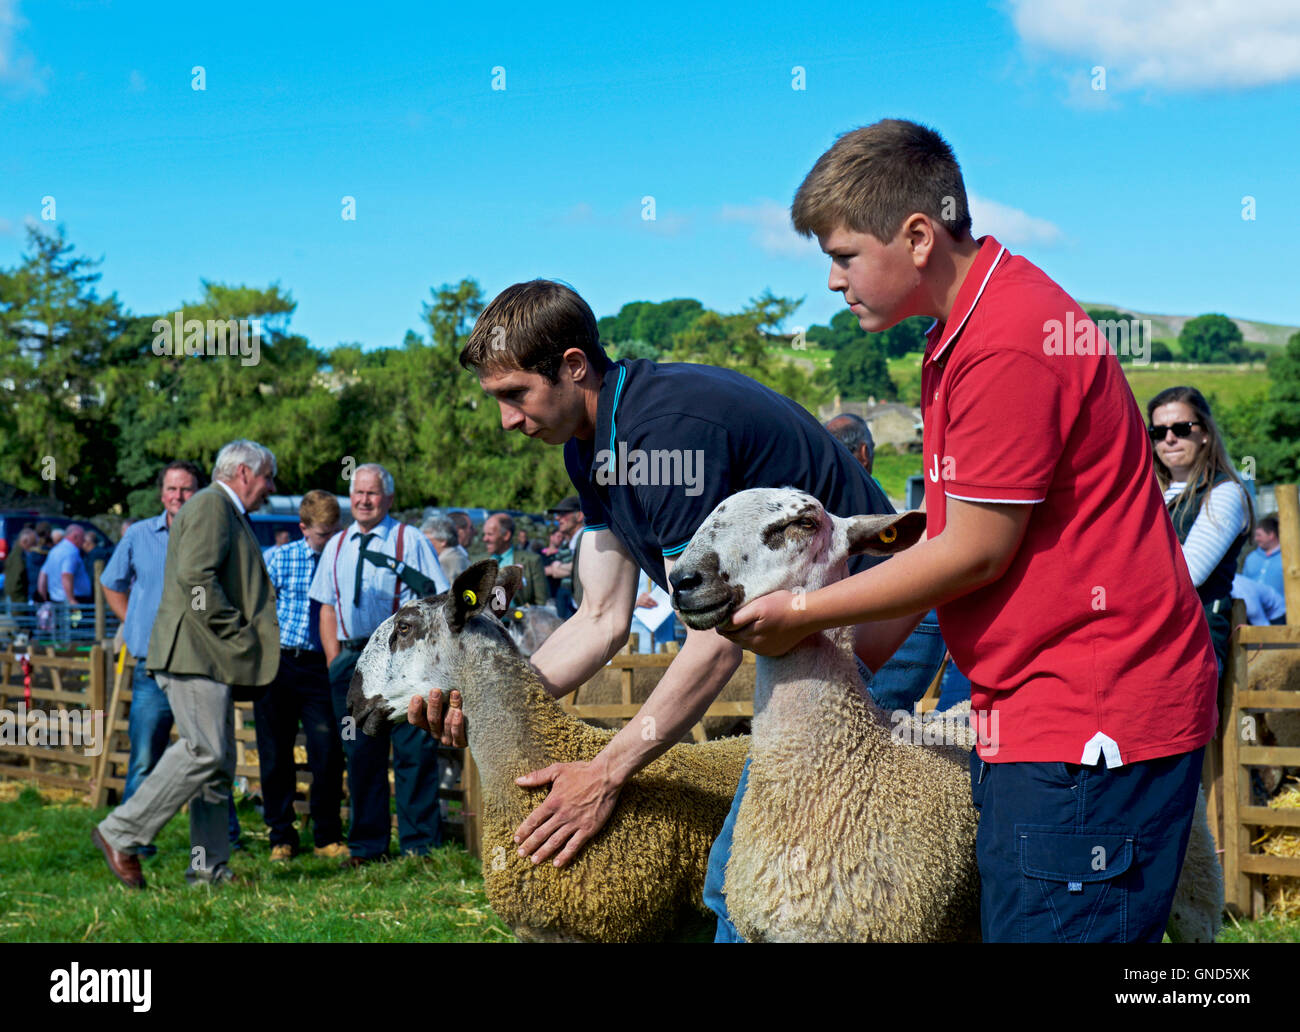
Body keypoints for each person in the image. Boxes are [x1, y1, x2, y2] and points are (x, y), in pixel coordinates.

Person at [719, 119, 1216, 943]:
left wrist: (807, 619)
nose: (835, 282)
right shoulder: (961, 333)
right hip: (1034, 711)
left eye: (843, 256)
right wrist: (845, 654)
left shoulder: (1007, 341)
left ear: (917, 236)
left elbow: (977, 551)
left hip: (1090, 720)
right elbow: (946, 535)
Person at [411, 278, 907, 912]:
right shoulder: (590, 446)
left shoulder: (663, 436)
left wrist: (605, 773)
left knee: (750, 881)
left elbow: (713, 644)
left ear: (572, 366)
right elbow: (599, 617)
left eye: (514, 395)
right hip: (817, 639)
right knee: (754, 883)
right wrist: (486, 701)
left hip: (881, 618)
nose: (507, 420)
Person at [92, 440, 280, 888]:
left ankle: (208, 869)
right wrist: (236, 633)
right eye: (268, 476)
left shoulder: (219, 507)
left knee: (216, 768)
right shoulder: (213, 506)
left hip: (204, 652)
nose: (271, 487)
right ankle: (121, 831)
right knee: (205, 750)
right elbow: (196, 581)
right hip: (194, 651)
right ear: (244, 474)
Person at [310, 463, 449, 866]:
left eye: (372, 493)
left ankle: (419, 847)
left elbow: (435, 600)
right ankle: (368, 847)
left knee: (413, 751)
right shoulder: (337, 544)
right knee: (362, 755)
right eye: (357, 493)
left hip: (403, 662)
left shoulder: (410, 540)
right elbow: (326, 607)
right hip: (353, 661)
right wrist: (336, 660)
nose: (364, 500)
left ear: (388, 498)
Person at [257, 490, 348, 861]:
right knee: (275, 752)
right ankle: (281, 834)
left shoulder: (342, 558)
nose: (330, 540)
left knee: (327, 751)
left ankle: (326, 834)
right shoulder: (279, 558)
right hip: (280, 663)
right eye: (323, 533)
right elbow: (259, 606)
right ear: (304, 529)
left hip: (321, 663)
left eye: (335, 531)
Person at [1147, 386, 1254, 674]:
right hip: (1145, 636)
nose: (1169, 439)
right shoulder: (1149, 494)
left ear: (1205, 432)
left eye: (1181, 428)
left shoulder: (1225, 493)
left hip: (1194, 642)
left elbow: (1188, 573)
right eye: (1158, 432)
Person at [38, 523, 91, 642]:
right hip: (73, 601)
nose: (84, 542)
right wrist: (72, 600)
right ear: (75, 536)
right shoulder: (71, 552)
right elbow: (66, 575)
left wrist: (44, 598)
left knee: (61, 636)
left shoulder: (54, 551)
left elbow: (42, 575)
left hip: (56, 600)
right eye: (82, 538)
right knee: (77, 637)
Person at [482, 512, 548, 605]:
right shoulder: (479, 562)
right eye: (484, 534)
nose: (485, 539)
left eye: (490, 534)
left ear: (506, 535)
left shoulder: (532, 561)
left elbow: (542, 604)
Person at [543, 496, 585, 618]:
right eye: (557, 514)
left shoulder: (584, 539)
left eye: (563, 513)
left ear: (579, 516)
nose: (557, 518)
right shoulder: (574, 542)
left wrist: (561, 567)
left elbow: (582, 569)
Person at [1243, 514, 1286, 601]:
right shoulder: (1251, 558)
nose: (1256, 539)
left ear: (1271, 535)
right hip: (1253, 609)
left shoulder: (1288, 559)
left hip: (1283, 611)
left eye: (1259, 535)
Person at [422, 514, 470, 583]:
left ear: (442, 541)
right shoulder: (458, 554)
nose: (424, 544)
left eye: (427, 540)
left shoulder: (445, 560)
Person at [4, 528, 35, 615]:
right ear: (24, 542)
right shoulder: (18, 557)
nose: (33, 547)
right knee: (21, 625)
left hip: (17, 598)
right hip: (18, 599)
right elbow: (15, 581)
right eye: (32, 544)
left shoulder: (17, 553)